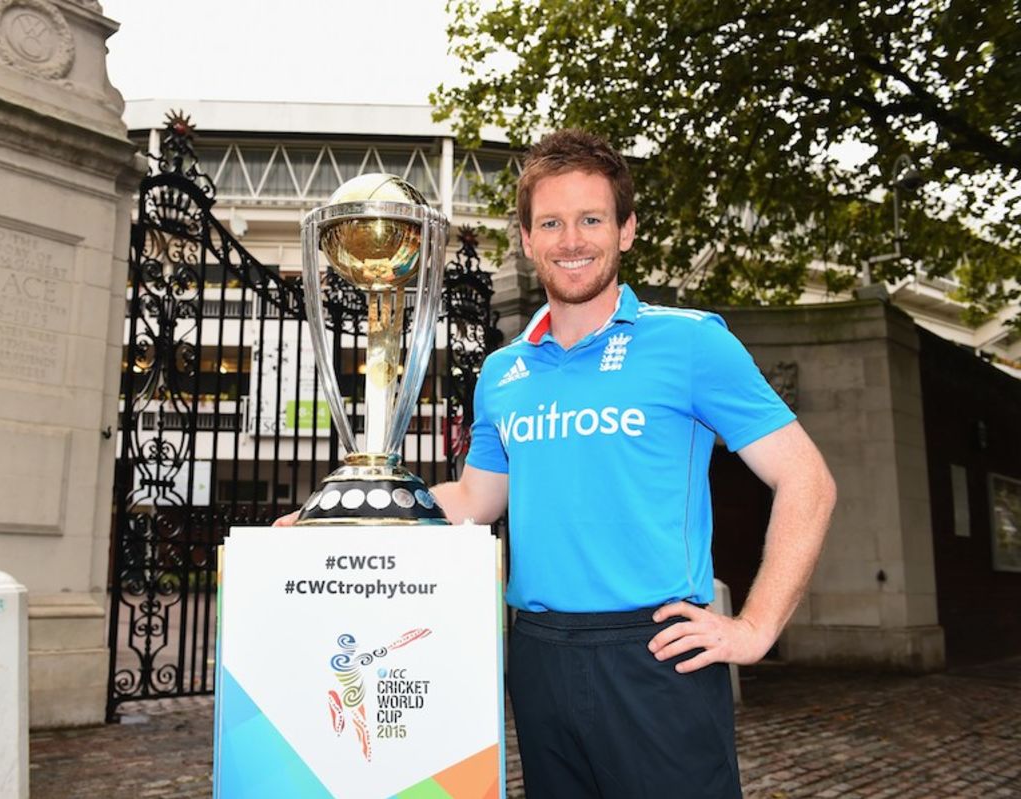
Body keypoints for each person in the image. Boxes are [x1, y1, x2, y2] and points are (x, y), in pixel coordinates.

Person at [280, 129, 836, 799]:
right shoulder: (503, 371)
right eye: (552, 222)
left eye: (591, 218)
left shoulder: (690, 343)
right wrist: (331, 524)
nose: (572, 239)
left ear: (626, 230)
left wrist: (755, 626)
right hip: (539, 653)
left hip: (656, 652)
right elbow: (475, 500)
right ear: (526, 237)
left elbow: (807, 478)